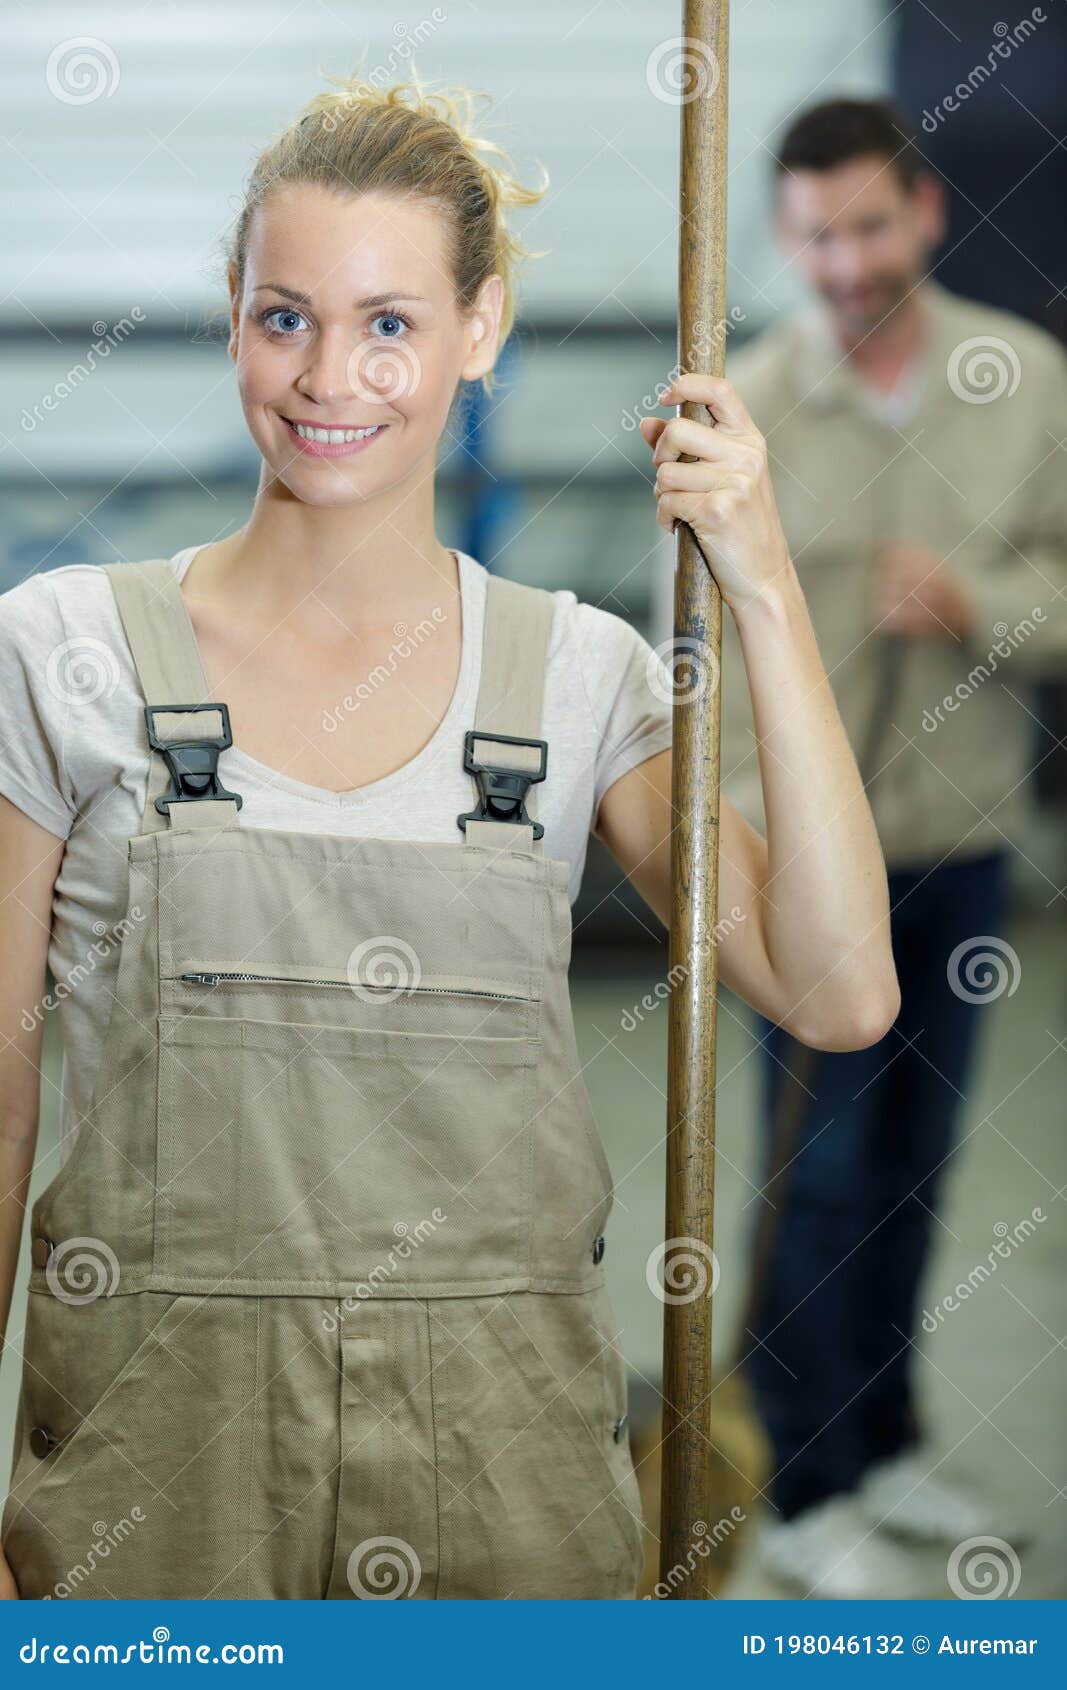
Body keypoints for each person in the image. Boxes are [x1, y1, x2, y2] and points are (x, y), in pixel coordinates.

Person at [0, 71, 898, 1601]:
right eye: (285, 315)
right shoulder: (63, 650)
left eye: (390, 322)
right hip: (160, 1491)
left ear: (480, 330)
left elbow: (839, 989)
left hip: (508, 1491)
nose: (328, 375)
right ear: (233, 312)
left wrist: (764, 584)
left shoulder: (579, 677)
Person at [719, 97, 1067, 1597]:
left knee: (919, 1165)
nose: (844, 260)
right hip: (807, 873)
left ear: (924, 213)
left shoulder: (1028, 379)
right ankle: (799, 1486)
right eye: (813, 233)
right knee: (823, 1167)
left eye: (869, 224)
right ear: (783, 236)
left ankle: (888, 1433)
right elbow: (704, 662)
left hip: (962, 844)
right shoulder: (745, 409)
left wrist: (983, 603)